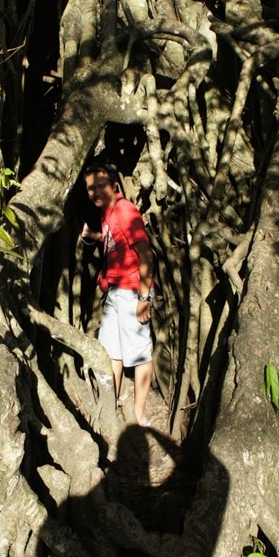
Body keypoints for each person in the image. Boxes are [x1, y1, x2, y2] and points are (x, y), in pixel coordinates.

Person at [82, 164, 154, 426]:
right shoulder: (107, 212)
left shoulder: (125, 210)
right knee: (111, 352)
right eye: (91, 187)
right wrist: (95, 236)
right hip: (114, 292)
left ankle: (139, 414)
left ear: (115, 185)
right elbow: (118, 241)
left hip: (133, 292)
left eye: (101, 185)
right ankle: (110, 408)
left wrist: (144, 300)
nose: (96, 191)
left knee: (140, 354)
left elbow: (145, 254)